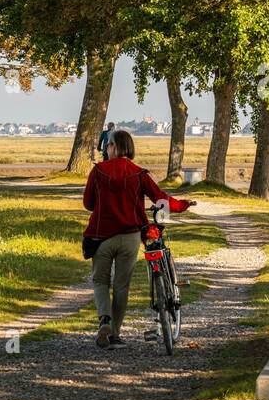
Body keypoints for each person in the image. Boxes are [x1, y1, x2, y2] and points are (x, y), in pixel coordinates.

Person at [83, 129, 195, 349]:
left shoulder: (97, 171)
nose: (106, 149)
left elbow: (88, 204)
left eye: (108, 146)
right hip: (130, 237)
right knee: (121, 285)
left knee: (100, 281)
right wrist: (182, 205)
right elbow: (160, 198)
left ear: (115, 147)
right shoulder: (139, 173)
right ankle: (115, 335)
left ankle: (104, 320)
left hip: (101, 237)